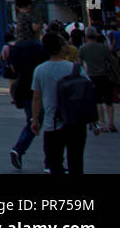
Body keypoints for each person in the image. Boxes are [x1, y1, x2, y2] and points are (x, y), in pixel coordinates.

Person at [30, 35, 86, 175]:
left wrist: (35, 119)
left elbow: (36, 98)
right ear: (61, 48)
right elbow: (87, 92)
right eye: (65, 43)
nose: (67, 45)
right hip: (75, 121)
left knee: (54, 162)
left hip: (52, 122)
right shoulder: (75, 68)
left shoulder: (40, 70)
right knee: (76, 161)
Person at [7, 21, 49, 170]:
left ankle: (19, 150)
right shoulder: (39, 48)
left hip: (22, 88)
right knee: (45, 124)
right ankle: (49, 161)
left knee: (33, 120)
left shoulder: (15, 49)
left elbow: (12, 68)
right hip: (40, 89)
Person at [77, 27, 120, 133]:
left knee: (98, 101)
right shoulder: (103, 47)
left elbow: (78, 63)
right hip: (105, 76)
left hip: (92, 77)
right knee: (109, 101)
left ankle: (102, 124)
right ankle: (111, 123)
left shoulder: (83, 48)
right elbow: (111, 60)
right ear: (96, 36)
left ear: (86, 36)